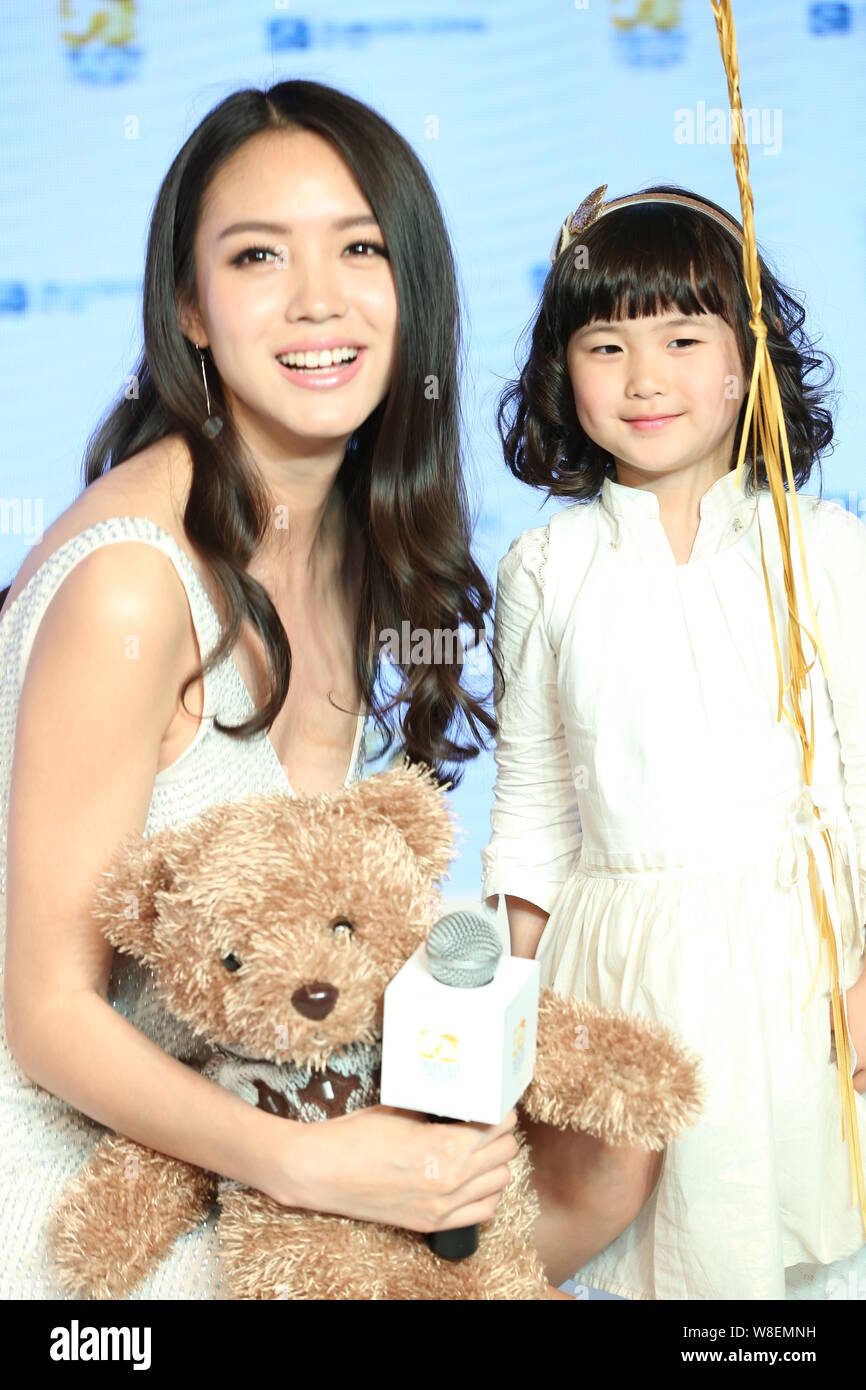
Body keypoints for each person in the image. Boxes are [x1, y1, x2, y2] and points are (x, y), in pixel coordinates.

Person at [0, 79, 522, 1300]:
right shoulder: (134, 583)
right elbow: (42, 1014)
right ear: (189, 307)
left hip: (234, 1156)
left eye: (359, 248)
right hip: (72, 1209)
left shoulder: (340, 540)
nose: (317, 301)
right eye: (255, 257)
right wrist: (310, 1166)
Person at [482, 182, 866, 1300]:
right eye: (605, 344)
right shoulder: (545, 571)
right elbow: (532, 811)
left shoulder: (821, 550)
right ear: (564, 371)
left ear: (745, 359)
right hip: (614, 972)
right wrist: (519, 1014)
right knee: (639, 1260)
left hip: (789, 967)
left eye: (682, 338)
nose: (644, 379)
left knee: (796, 1262)